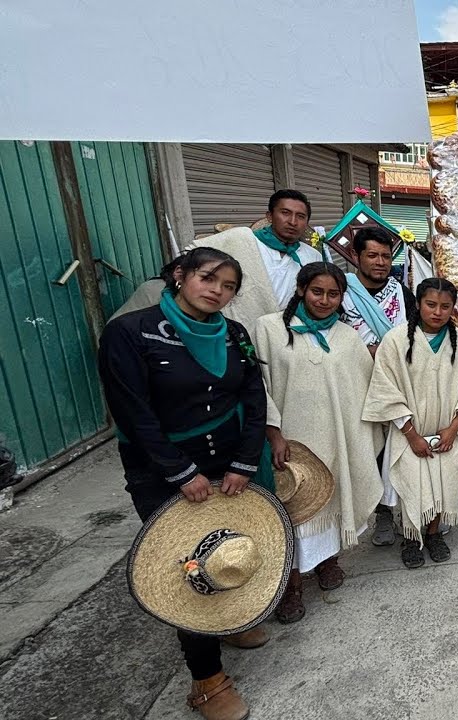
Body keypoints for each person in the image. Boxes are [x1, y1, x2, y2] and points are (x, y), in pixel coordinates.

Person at [98, 248, 270, 719]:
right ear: (180, 275)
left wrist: (244, 462)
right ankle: (208, 681)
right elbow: (134, 413)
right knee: (186, 568)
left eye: (228, 285)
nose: (217, 290)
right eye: (208, 278)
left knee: (230, 549)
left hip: (228, 460)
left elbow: (254, 397)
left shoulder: (234, 334)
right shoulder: (130, 334)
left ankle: (232, 620)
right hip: (162, 467)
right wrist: (180, 472)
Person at [252, 263, 383, 622]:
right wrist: (273, 431)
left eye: (333, 294)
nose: (324, 300)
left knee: (335, 494)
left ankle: (328, 562)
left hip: (338, 433)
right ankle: (290, 584)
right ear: (300, 290)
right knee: (293, 506)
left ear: (342, 298)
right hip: (292, 441)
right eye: (317, 291)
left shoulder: (347, 335)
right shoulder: (269, 329)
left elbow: (366, 382)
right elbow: (257, 386)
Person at [362, 278, 458, 568]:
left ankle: (433, 534)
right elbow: (385, 388)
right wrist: (411, 433)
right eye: (431, 304)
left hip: (448, 431)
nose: (438, 312)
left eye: (445, 306)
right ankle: (410, 537)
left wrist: (454, 427)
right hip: (409, 432)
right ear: (418, 304)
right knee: (413, 485)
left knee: (443, 482)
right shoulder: (396, 340)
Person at [339, 227, 414, 545]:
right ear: (355, 256)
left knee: (401, 452)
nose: (380, 262)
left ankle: (411, 514)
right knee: (371, 454)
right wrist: (361, 351)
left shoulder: (403, 294)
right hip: (356, 384)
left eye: (386, 256)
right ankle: (381, 516)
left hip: (399, 386)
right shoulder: (340, 293)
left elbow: (417, 337)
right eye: (372, 255)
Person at [192, 189, 325, 326]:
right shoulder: (242, 238)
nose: (293, 221)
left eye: (301, 216)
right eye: (285, 213)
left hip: (282, 331)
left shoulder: (312, 256)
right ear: (270, 216)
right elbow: (190, 254)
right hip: (234, 327)